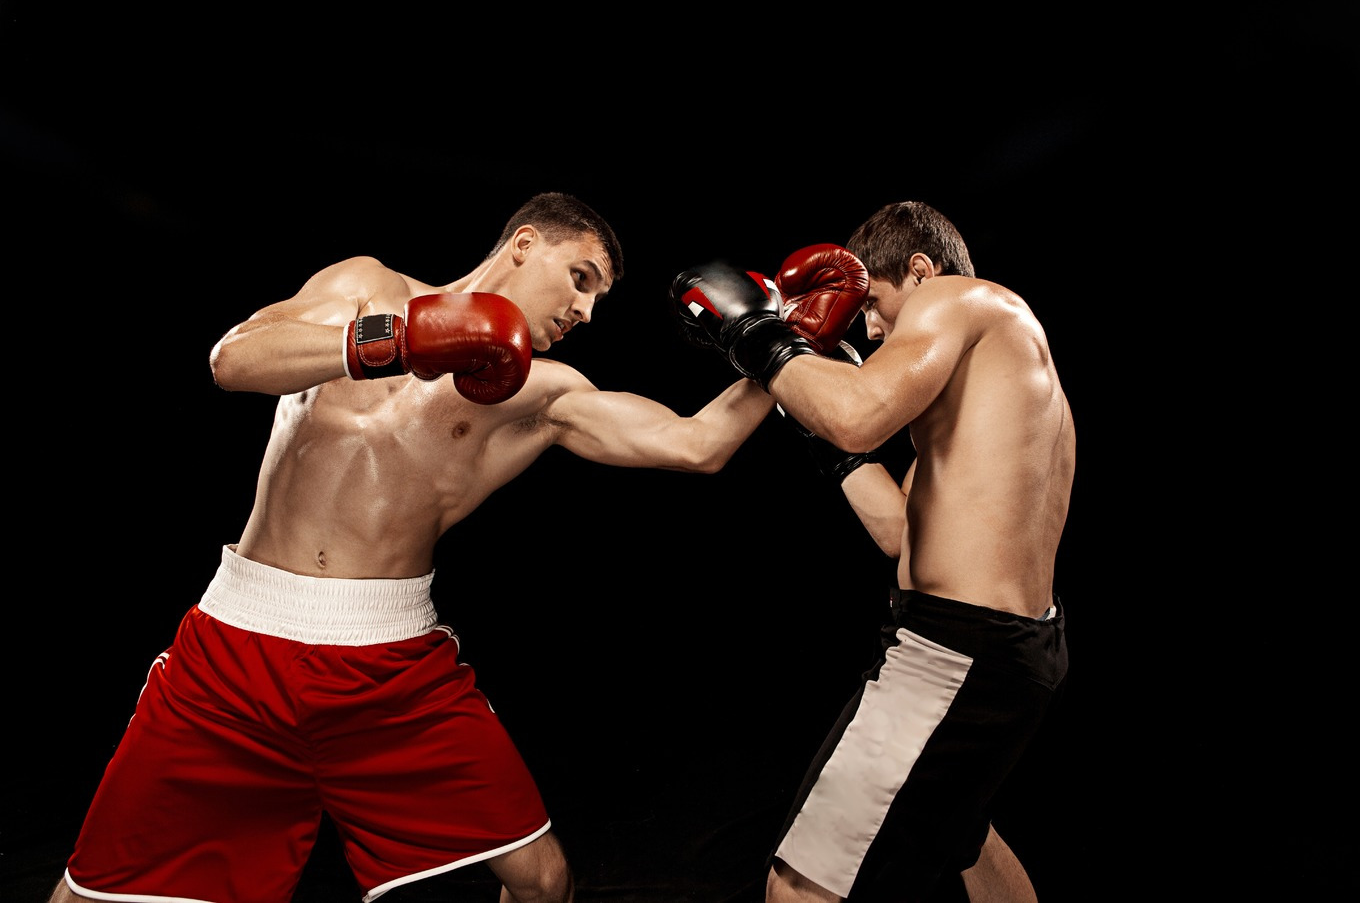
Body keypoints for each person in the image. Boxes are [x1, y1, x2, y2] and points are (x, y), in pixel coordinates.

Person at [49, 191, 824, 903]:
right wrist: (399, 339)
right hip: (235, 648)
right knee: (94, 886)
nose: (586, 309)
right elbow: (234, 360)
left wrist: (778, 347)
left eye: (598, 298)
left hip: (388, 666)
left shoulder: (545, 391)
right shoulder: (368, 287)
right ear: (524, 244)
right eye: (580, 277)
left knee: (541, 878)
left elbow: (696, 446)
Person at [670, 200, 1073, 903]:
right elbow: (900, 530)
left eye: (877, 306)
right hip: (1013, 653)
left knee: (798, 887)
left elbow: (856, 415)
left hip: (954, 651)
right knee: (964, 838)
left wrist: (760, 336)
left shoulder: (958, 296)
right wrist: (823, 441)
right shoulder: (1000, 380)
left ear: (920, 270)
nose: (876, 330)